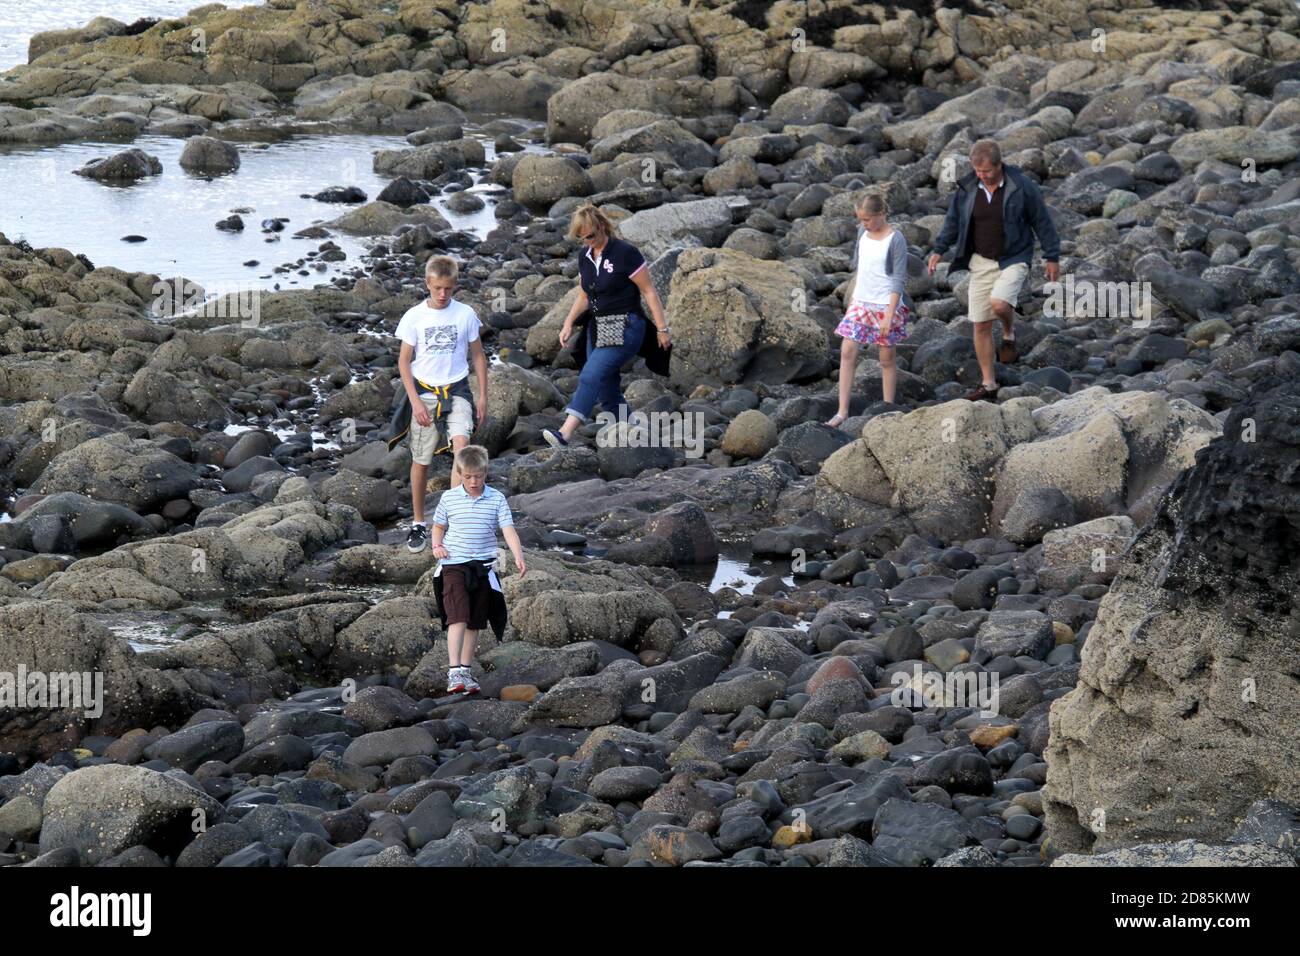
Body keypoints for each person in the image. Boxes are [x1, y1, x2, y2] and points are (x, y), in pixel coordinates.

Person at [927, 139, 1061, 402]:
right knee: (980, 325)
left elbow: (1041, 221)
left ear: (1000, 165)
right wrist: (939, 249)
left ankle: (1009, 332)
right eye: (978, 171)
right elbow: (953, 221)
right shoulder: (967, 189)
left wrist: (1051, 256)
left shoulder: (1022, 187)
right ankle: (989, 385)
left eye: (987, 171)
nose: (982, 176)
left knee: (999, 304)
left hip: (1014, 257)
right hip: (980, 262)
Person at [541, 204, 672, 448]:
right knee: (605, 386)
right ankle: (635, 433)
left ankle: (564, 434)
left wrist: (663, 329)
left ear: (601, 226)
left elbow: (649, 291)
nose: (588, 242)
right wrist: (568, 323)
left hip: (627, 326)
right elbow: (583, 296)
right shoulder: (585, 256)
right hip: (598, 328)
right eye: (582, 238)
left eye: (591, 236)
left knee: (591, 375)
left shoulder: (625, 253)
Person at [394, 255, 488, 554]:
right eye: (437, 288)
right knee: (421, 461)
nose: (443, 294)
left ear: (455, 285)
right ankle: (419, 522)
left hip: (457, 389)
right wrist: (415, 403)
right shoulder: (413, 317)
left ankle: (454, 520)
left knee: (462, 450)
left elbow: (477, 356)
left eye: (448, 288)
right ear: (427, 284)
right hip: (423, 392)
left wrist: (483, 395)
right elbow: (403, 362)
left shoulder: (466, 314)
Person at [429, 445, 526, 695]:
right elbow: (438, 526)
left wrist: (517, 555)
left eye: (479, 476)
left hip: (484, 568)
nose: (474, 482)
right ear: (460, 473)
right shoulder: (449, 498)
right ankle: (454, 673)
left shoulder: (496, 499)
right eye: (468, 477)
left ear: (486, 472)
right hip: (454, 564)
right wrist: (436, 546)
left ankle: (466, 670)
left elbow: (508, 530)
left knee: (474, 622)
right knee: (458, 616)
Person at [827, 193, 913, 426]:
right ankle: (841, 411)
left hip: (886, 304)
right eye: (860, 219)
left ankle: (887, 407)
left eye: (866, 219)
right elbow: (860, 268)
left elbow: (898, 278)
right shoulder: (861, 233)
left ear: (880, 214)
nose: (863, 224)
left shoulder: (896, 239)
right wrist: (853, 301)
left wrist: (889, 315)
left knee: (886, 358)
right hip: (861, 302)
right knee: (847, 351)